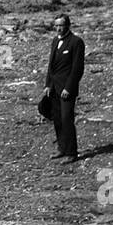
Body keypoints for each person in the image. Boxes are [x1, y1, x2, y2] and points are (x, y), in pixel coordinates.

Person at [43, 14, 86, 161]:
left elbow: (77, 69)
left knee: (67, 119)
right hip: (54, 87)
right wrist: (48, 85)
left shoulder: (76, 42)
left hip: (67, 89)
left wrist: (69, 88)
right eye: (56, 26)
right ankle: (61, 148)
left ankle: (72, 152)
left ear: (68, 25)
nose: (58, 28)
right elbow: (51, 65)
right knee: (57, 119)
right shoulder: (55, 41)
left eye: (61, 25)